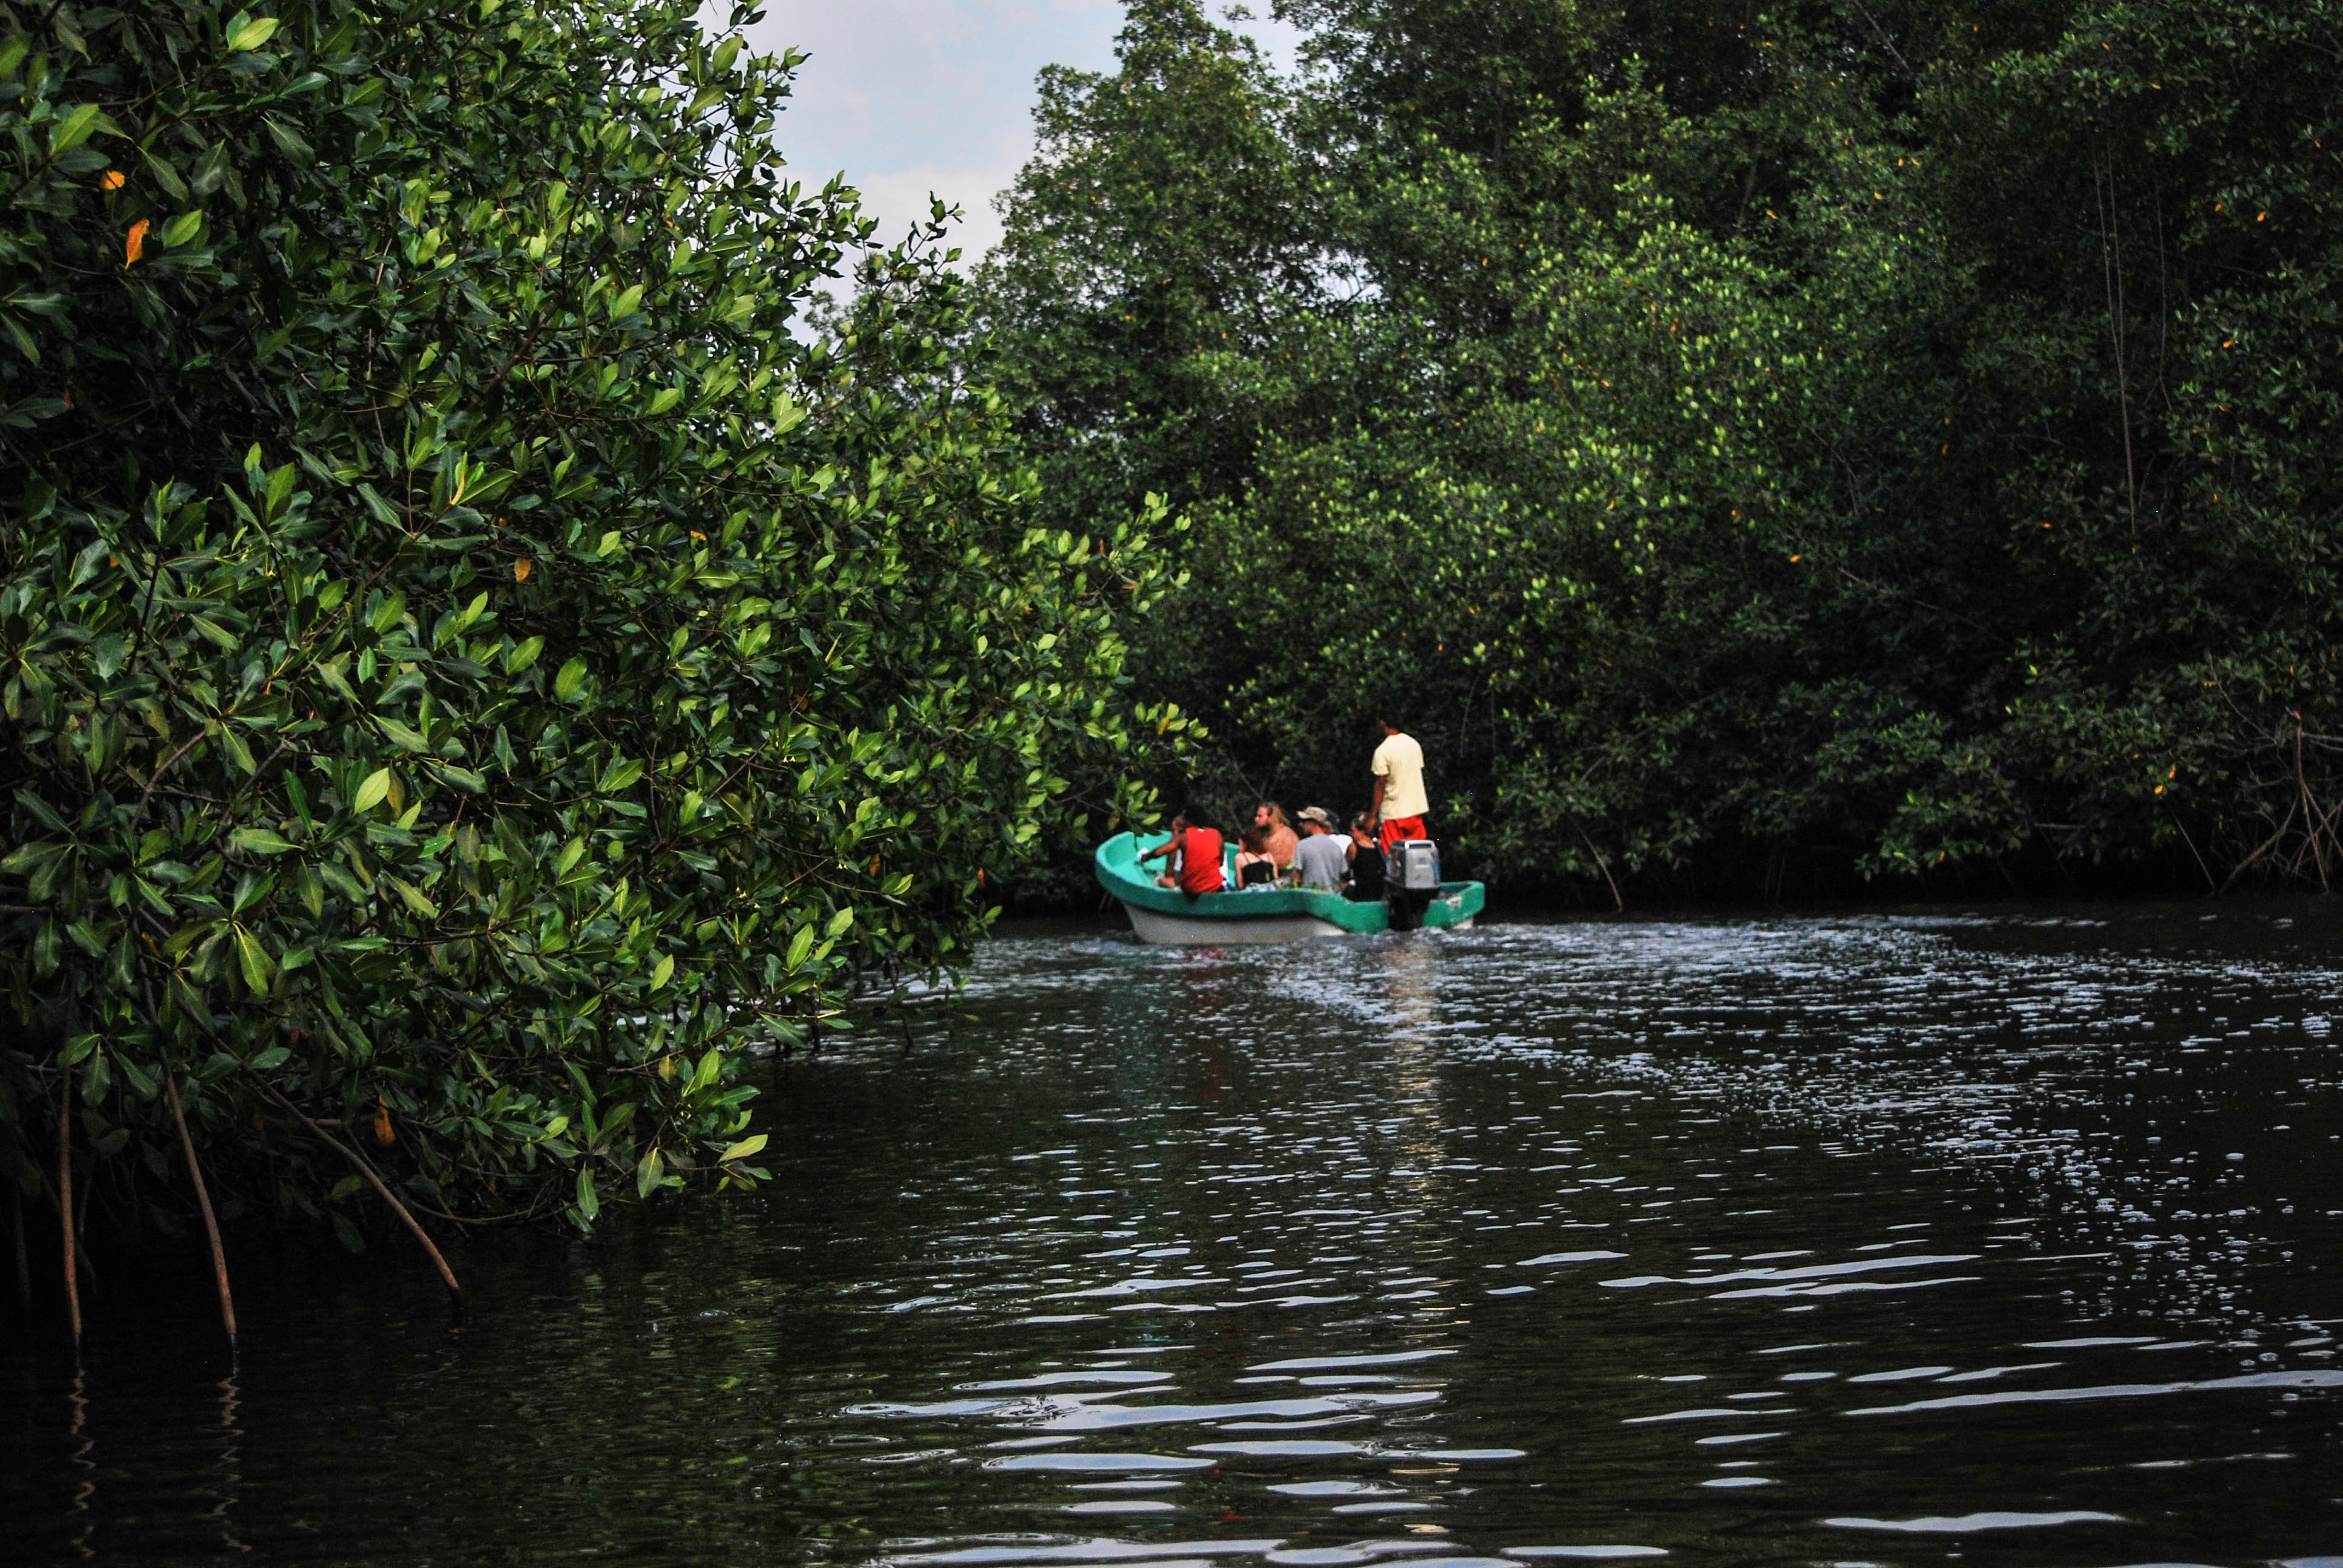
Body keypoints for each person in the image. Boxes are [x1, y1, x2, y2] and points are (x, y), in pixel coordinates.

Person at [1369, 713, 1429, 856]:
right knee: (1417, 854)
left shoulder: (1383, 750)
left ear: (1383, 723)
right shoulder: (1414, 744)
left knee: (1395, 857)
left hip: (1393, 813)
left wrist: (1373, 816)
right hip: (1415, 811)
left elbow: (1380, 784)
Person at [1137, 809, 1225, 896]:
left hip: (1192, 890)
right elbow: (1220, 863)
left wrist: (1146, 857)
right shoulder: (1217, 835)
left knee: (1163, 880)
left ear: (1188, 821)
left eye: (1183, 818)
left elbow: (1160, 852)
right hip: (1215, 887)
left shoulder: (1183, 837)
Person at [1292, 806, 1347, 892]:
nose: (1301, 825)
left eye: (1304, 821)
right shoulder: (1336, 847)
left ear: (1313, 823)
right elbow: (1343, 876)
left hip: (1310, 899)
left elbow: (1296, 877)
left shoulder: (1302, 846)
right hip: (1333, 899)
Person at [1343, 812, 1386, 903]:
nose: (1350, 834)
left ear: (1361, 831)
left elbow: (1345, 872)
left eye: (1352, 831)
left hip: (1361, 894)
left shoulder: (1353, 848)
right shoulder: (1381, 845)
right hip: (1379, 894)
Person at [1253, 802, 1299, 872]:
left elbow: (1277, 865)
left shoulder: (1282, 837)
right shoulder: (1269, 835)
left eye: (1260, 816)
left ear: (1270, 818)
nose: (1256, 819)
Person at [1233, 824, 1279, 889]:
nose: (1239, 847)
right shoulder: (1269, 856)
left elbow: (1240, 884)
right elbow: (1276, 878)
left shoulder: (1240, 857)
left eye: (1240, 844)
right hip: (1270, 891)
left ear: (1245, 844)